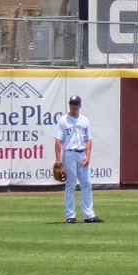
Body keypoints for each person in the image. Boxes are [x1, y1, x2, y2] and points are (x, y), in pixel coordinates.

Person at [54, 95, 103, 223]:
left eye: (76, 104)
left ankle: (89, 215)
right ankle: (70, 215)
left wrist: (88, 156)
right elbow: (58, 141)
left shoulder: (84, 120)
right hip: (69, 154)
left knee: (86, 184)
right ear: (69, 105)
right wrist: (58, 160)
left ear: (80, 106)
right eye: (72, 104)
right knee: (70, 185)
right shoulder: (63, 120)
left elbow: (88, 139)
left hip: (82, 154)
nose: (74, 106)